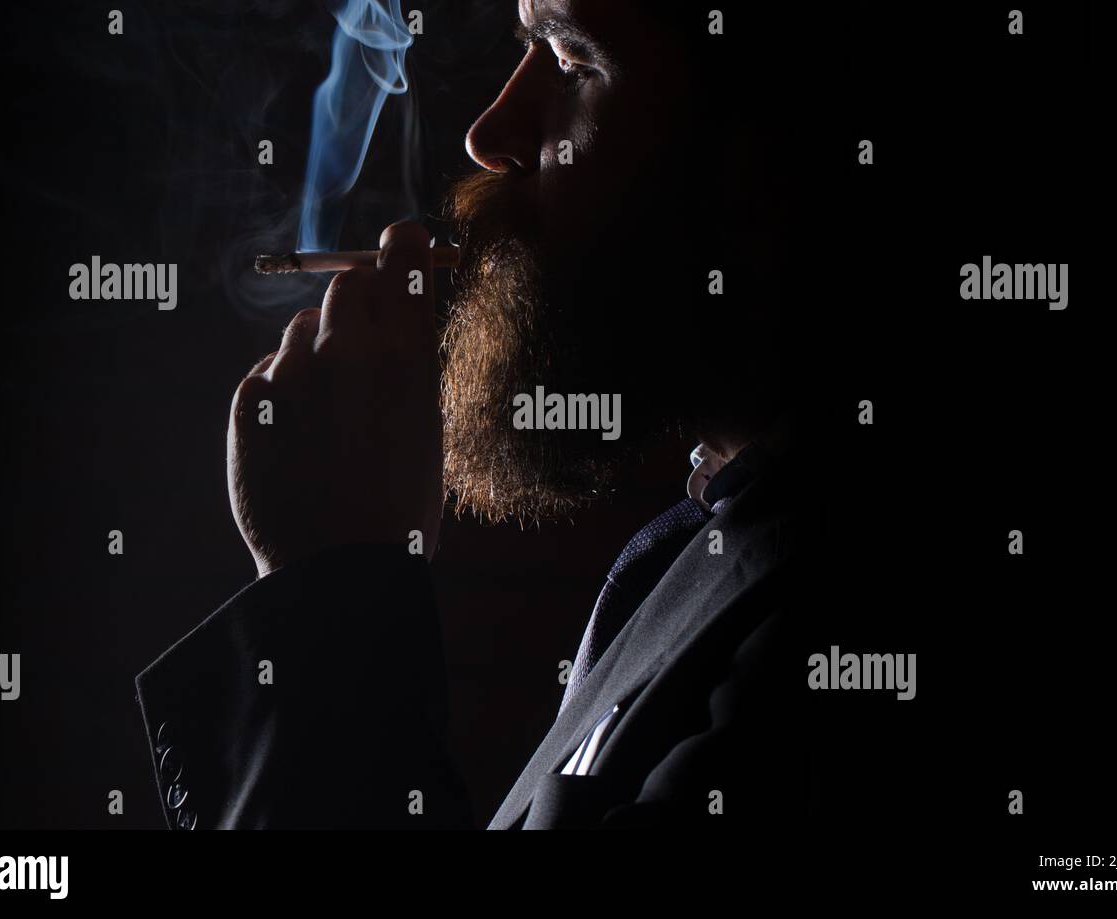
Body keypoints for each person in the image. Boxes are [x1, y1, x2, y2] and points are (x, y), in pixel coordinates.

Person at [136, 0, 822, 829]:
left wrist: (330, 591)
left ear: (771, 147)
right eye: (527, 47)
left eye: (572, 60)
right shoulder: (709, 545)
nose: (489, 132)